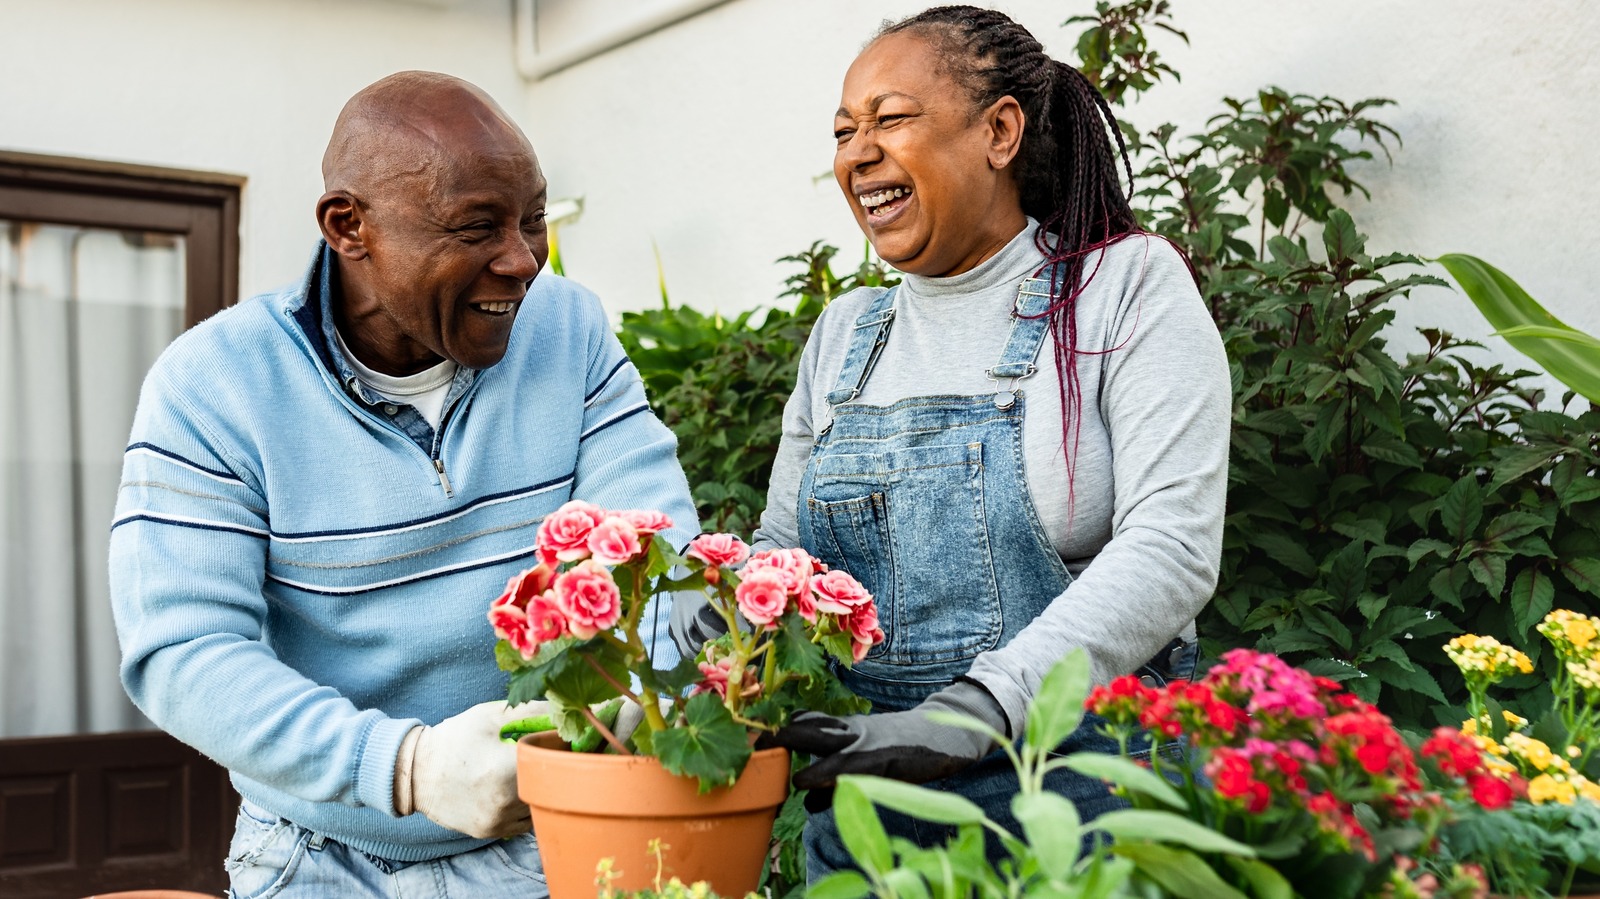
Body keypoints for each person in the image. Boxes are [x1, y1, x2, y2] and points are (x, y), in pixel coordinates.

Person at [108, 71, 697, 897]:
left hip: (544, 835)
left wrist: (643, 688)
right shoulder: (216, 384)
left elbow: (655, 551)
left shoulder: (570, 331)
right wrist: (408, 768)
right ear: (349, 226)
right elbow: (185, 651)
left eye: (533, 219)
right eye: (476, 227)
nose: (523, 261)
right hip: (317, 854)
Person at [731, 5, 1229, 879]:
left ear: (1000, 131)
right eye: (845, 131)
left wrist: (975, 710)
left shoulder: (1123, 287)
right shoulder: (847, 333)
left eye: (889, 120)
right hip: (871, 818)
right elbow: (785, 559)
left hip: (1084, 796)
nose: (857, 153)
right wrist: (698, 643)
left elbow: (1173, 546)